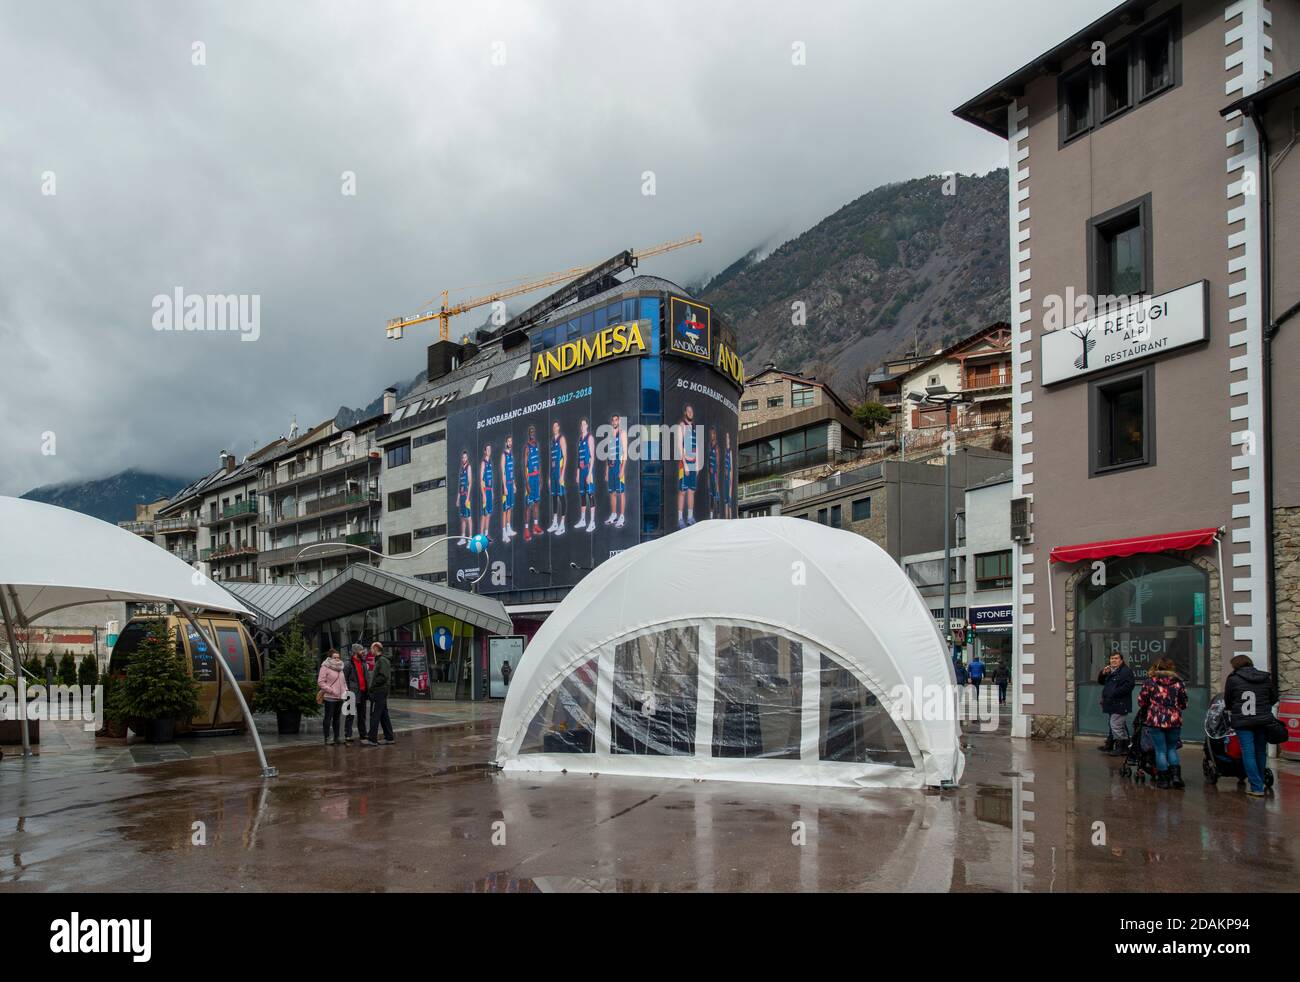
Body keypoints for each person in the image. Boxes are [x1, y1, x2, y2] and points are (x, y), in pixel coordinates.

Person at [1224, 654, 1278, 797]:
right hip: (1262, 720)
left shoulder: (1233, 679)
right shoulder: (1265, 678)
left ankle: (1256, 786)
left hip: (1243, 721)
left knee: (1248, 753)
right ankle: (1258, 782)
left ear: (1235, 665)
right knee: (1260, 752)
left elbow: (1228, 701)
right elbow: (1273, 698)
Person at [1136, 657, 1188, 790]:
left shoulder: (1150, 682)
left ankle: (1163, 780)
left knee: (1160, 750)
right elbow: (1183, 703)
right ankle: (1176, 777)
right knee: (1171, 748)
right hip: (1173, 719)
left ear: (1157, 667)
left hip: (1155, 719)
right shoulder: (1178, 682)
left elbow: (1142, 701)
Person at [1097, 652, 1136, 757]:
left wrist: (1112, 693)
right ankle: (1119, 746)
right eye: (1111, 658)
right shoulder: (1111, 670)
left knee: (1115, 725)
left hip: (1120, 703)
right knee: (1115, 724)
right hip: (1111, 703)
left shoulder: (1126, 671)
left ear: (1121, 660)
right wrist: (1103, 673)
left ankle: (1121, 747)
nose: (1113, 660)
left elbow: (1128, 686)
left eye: (1116, 658)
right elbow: (1101, 682)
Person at [365, 642, 395, 746]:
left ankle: (372, 739)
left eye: (371, 648)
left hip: (379, 691)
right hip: (380, 690)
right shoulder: (380, 660)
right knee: (383, 714)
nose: (370, 651)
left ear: (376, 648)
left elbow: (383, 676)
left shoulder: (382, 660)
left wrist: (372, 687)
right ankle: (389, 737)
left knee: (375, 715)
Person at [317, 648, 346, 746]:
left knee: (337, 718)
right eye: (335, 657)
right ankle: (327, 738)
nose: (337, 659)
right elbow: (320, 682)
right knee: (328, 717)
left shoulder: (340, 667)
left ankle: (336, 737)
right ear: (330, 658)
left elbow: (343, 681)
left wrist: (345, 691)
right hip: (330, 697)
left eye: (338, 657)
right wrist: (331, 690)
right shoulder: (325, 667)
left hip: (339, 697)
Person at [343, 642, 370, 743]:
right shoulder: (348, 664)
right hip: (352, 693)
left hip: (363, 693)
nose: (363, 652)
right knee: (350, 714)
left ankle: (363, 734)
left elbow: (366, 677)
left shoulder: (363, 663)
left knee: (362, 715)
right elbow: (344, 679)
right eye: (360, 650)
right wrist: (347, 691)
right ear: (355, 652)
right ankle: (348, 735)